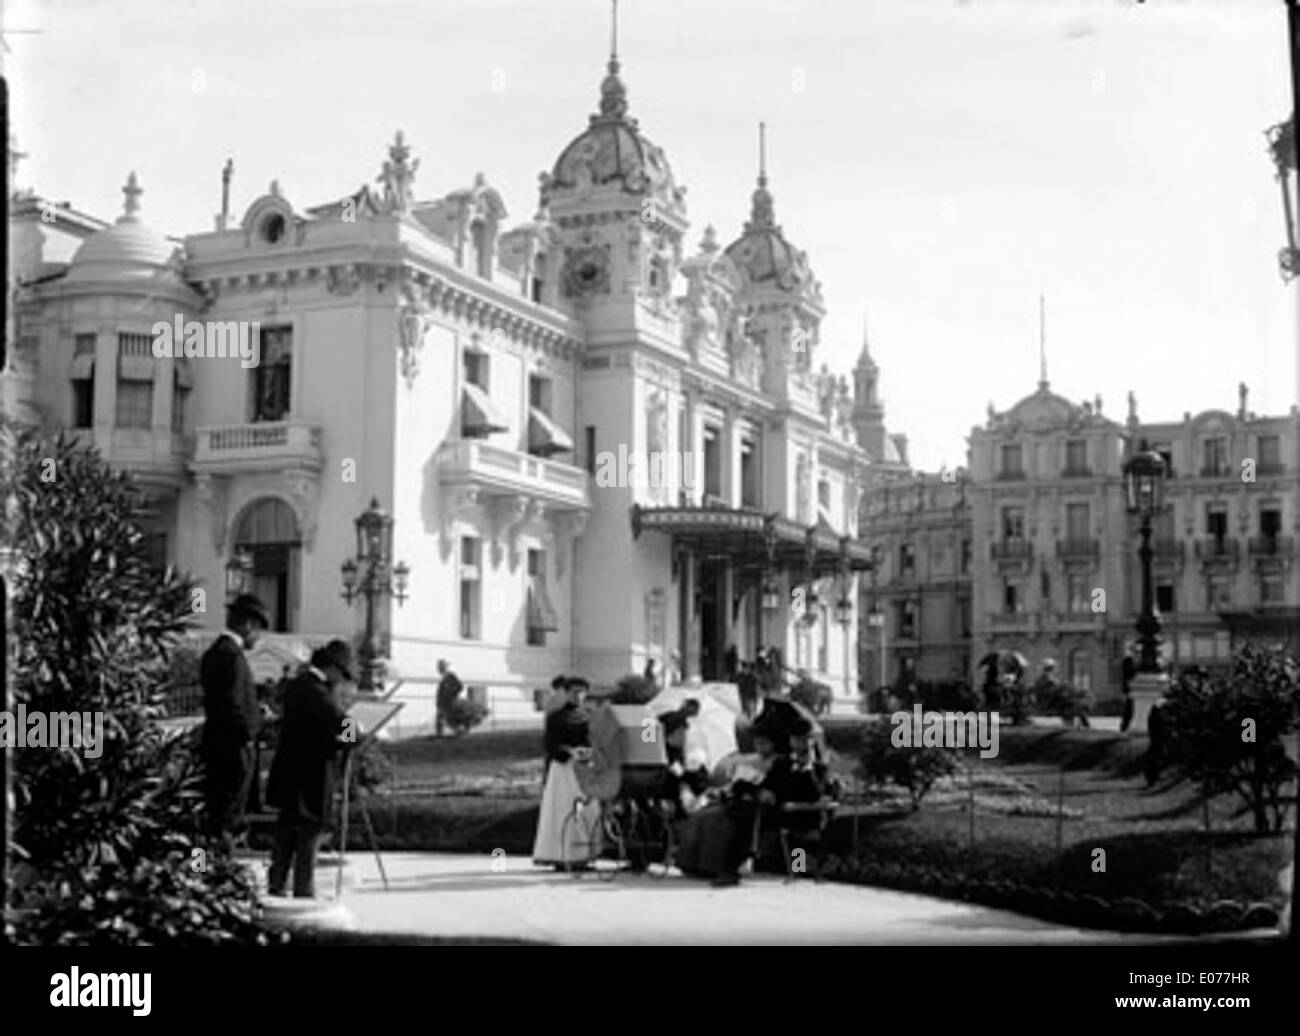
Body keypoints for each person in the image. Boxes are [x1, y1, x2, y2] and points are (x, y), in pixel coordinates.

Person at [266, 640, 354, 899]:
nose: (341, 681)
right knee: (308, 831)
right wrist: (356, 734)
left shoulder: (300, 685)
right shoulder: (313, 689)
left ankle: (277, 884)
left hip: (292, 770)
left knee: (286, 830)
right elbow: (340, 721)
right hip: (309, 774)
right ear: (332, 667)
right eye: (341, 674)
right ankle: (303, 888)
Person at [199, 593, 270, 851]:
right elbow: (231, 706)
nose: (258, 638)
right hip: (231, 750)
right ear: (248, 625)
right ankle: (216, 874)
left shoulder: (215, 653)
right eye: (258, 630)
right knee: (225, 818)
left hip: (216, 744)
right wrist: (251, 731)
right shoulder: (232, 657)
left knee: (214, 817)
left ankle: (202, 871)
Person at [676, 724, 781, 886]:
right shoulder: (749, 760)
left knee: (716, 820)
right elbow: (734, 783)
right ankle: (693, 864)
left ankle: (715, 865)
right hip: (735, 798)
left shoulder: (777, 762)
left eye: (764, 743)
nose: (760, 747)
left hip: (755, 804)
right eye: (758, 743)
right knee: (701, 815)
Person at [533, 677, 602, 869]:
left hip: (586, 768)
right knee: (564, 810)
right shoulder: (556, 717)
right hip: (564, 769)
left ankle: (585, 855)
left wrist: (592, 752)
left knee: (588, 810)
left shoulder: (591, 716)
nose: (578, 695)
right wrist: (569, 751)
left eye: (581, 691)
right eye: (574, 691)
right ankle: (562, 855)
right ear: (567, 693)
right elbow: (549, 744)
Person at [1145, 693, 1169, 787]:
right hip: (1158, 735)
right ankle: (1153, 778)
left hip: (1158, 735)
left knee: (1155, 756)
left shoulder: (1158, 706)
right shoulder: (1160, 707)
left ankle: (1154, 778)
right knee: (1156, 756)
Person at [435, 659, 463, 737]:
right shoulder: (443, 678)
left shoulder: (450, 676)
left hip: (448, 702)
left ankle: (458, 731)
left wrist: (451, 694)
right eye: (438, 667)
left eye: (440, 667)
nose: (439, 669)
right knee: (441, 718)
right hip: (442, 702)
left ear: (444, 667)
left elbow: (459, 686)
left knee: (449, 718)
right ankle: (439, 733)